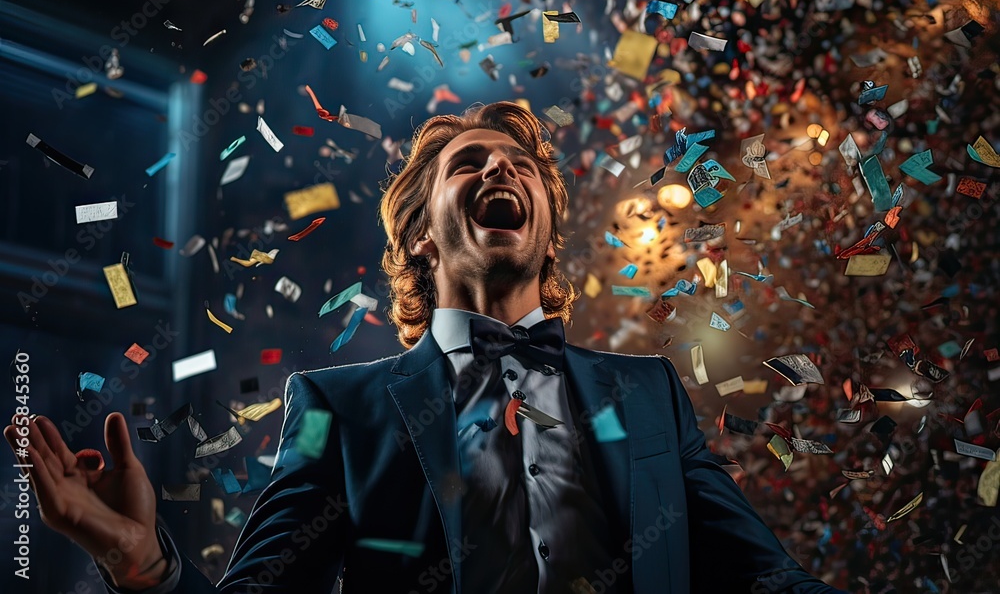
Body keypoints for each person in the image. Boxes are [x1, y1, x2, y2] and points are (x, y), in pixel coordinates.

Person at [5, 102, 845, 593]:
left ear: (551, 236)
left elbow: (771, 582)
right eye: (469, 163)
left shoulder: (653, 392)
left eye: (520, 165)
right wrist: (142, 560)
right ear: (418, 238)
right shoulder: (333, 406)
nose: (500, 172)